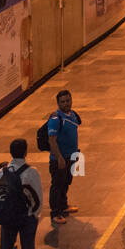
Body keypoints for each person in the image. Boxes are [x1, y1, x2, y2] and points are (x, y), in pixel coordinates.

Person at [0, 138, 43, 249]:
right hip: (25, 216)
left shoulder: (1, 172)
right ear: (25, 152)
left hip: (7, 216)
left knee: (5, 247)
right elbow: (38, 197)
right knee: (27, 246)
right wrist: (34, 213)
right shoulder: (31, 172)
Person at [47, 89, 83, 224]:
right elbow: (52, 140)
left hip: (71, 156)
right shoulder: (56, 119)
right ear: (58, 103)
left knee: (66, 182)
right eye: (63, 102)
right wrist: (59, 157)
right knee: (57, 185)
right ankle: (55, 213)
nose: (66, 103)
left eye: (68, 100)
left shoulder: (72, 115)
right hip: (59, 159)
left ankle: (63, 206)